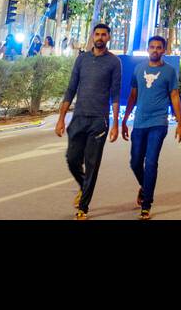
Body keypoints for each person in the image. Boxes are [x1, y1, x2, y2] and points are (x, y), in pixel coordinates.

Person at [55, 23, 121, 219]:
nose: (100, 37)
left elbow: (115, 95)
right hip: (78, 119)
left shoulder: (114, 62)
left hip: (99, 121)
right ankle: (84, 186)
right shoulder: (82, 59)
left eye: (104, 34)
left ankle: (83, 207)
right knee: (72, 159)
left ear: (109, 37)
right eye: (97, 34)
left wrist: (115, 124)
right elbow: (71, 89)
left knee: (92, 164)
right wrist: (61, 119)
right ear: (93, 36)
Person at [121, 34, 181, 219]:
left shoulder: (169, 72)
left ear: (164, 50)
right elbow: (133, 95)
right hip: (140, 122)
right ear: (148, 49)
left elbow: (174, 97)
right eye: (152, 47)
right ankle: (145, 187)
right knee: (135, 162)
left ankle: (146, 204)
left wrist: (180, 124)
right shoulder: (138, 69)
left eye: (159, 47)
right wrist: (124, 120)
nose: (155, 50)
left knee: (151, 162)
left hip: (159, 122)